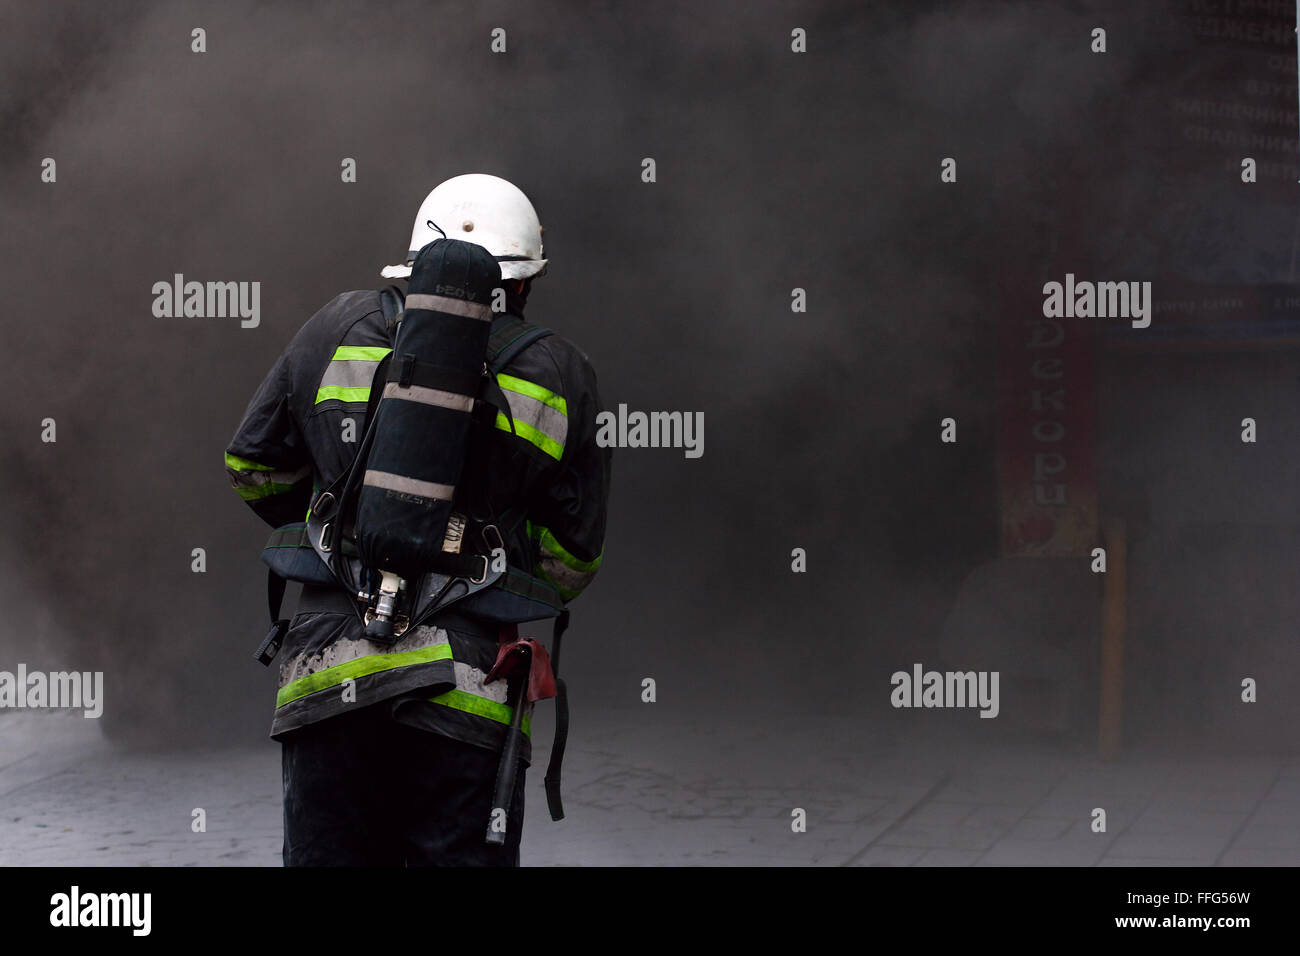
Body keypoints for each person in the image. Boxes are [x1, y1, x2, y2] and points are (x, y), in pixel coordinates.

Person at [224, 173, 612, 866]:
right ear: (522, 282)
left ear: (408, 262)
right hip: (468, 695)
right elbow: (570, 562)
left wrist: (337, 528)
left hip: (326, 679)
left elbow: (253, 468)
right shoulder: (561, 371)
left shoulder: (334, 327)